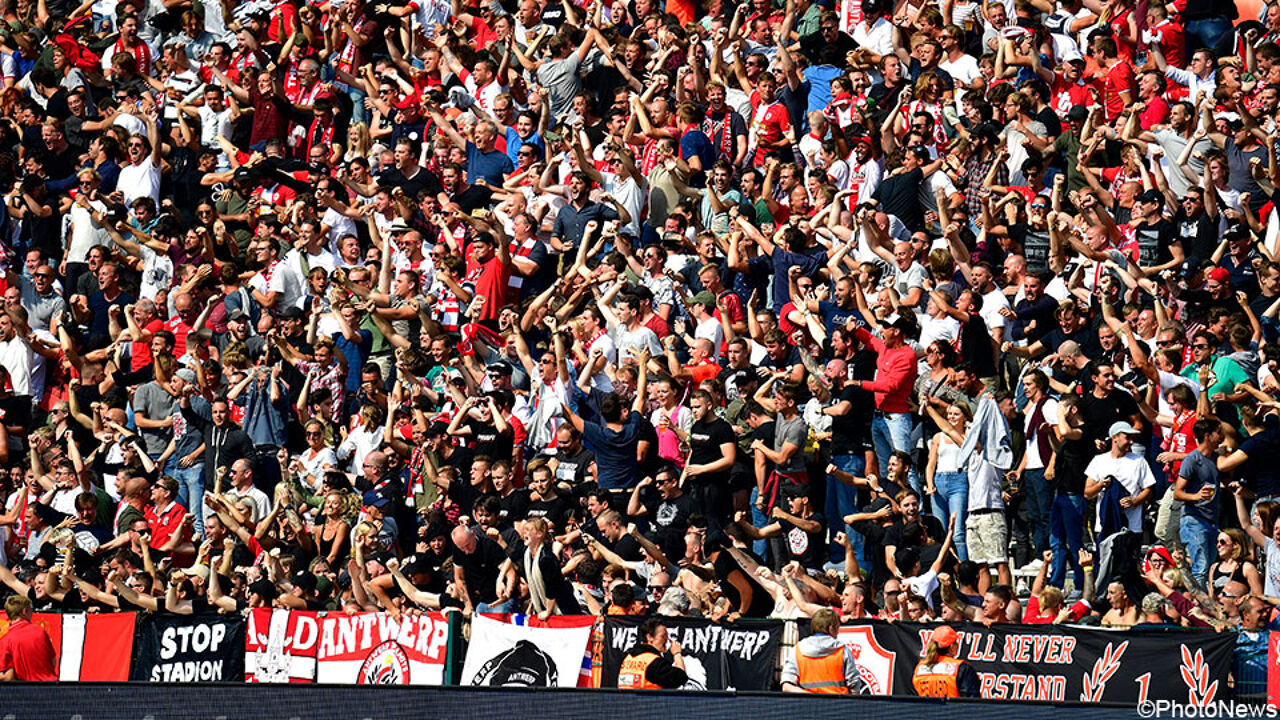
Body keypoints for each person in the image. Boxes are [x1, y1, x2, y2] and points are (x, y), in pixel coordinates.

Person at [780, 608, 870, 694]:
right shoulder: (842, 650)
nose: (838, 632)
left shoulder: (797, 650)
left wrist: (811, 697)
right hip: (839, 706)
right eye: (837, 628)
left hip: (808, 706)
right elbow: (854, 684)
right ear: (831, 628)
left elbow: (787, 686)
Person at [616, 617, 688, 690]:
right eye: (663, 636)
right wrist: (677, 653)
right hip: (648, 700)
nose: (667, 640)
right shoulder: (654, 663)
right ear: (649, 637)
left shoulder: (627, 657)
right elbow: (680, 677)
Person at [0, 595, 57, 681]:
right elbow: (53, 661)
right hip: (51, 687)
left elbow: (8, 677)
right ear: (24, 611)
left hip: (27, 689)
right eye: (31, 609)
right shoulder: (40, 631)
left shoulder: (5, 640)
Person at [911, 625, 978, 697]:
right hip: (954, 708)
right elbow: (971, 702)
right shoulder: (962, 668)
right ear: (952, 646)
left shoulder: (920, 667)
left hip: (924, 708)